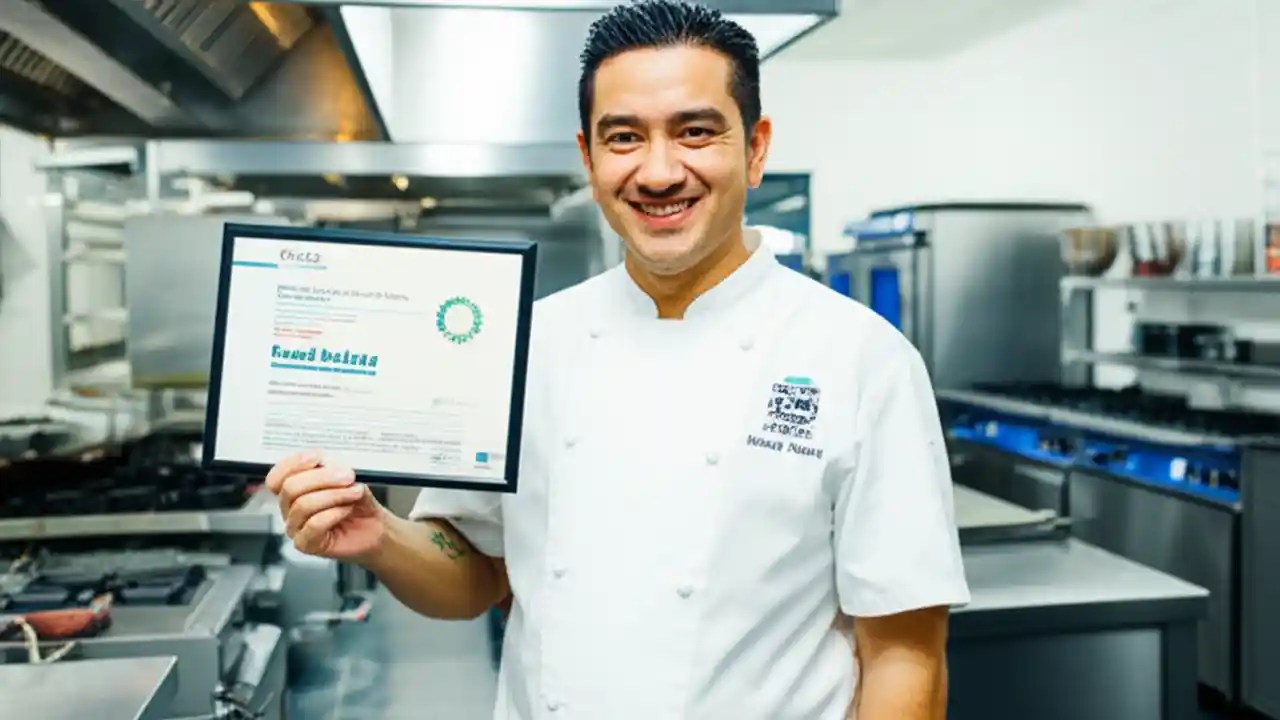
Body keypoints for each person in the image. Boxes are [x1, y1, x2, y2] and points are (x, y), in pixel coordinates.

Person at [265, 1, 970, 718]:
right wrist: (379, 533)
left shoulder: (861, 359)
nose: (660, 171)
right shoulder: (527, 344)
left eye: (695, 132)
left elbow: (905, 652)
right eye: (624, 137)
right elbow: (475, 574)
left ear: (756, 149)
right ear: (589, 157)